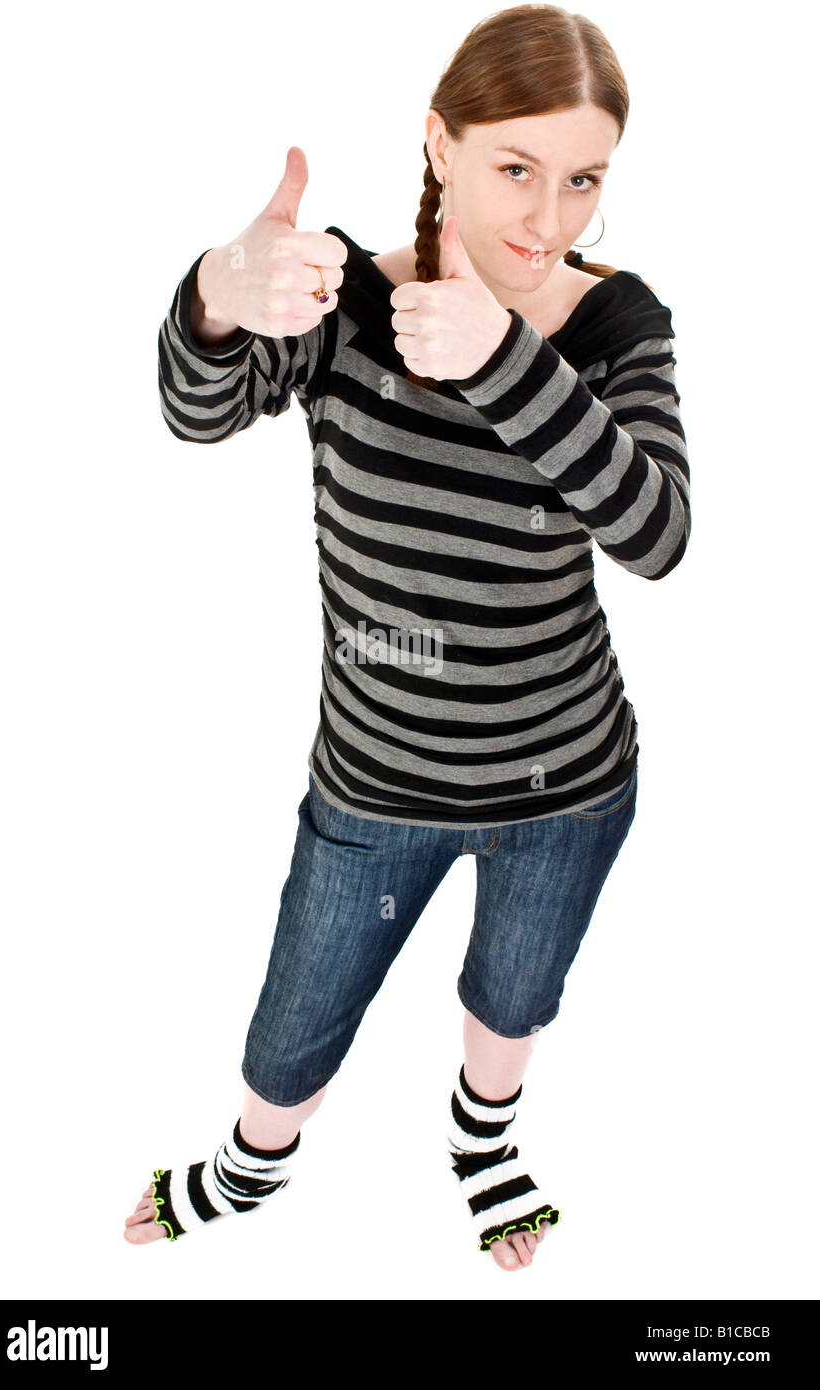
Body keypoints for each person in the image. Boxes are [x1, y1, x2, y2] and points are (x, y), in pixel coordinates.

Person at [123, 2, 690, 1273]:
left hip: (568, 783)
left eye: (581, 178)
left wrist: (505, 361)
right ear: (439, 144)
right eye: (513, 167)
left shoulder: (612, 325)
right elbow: (193, 412)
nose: (548, 219)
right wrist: (217, 291)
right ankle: (251, 1163)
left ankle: (481, 1138)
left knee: (511, 1001)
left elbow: (657, 532)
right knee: (290, 1035)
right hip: (376, 785)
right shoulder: (339, 298)